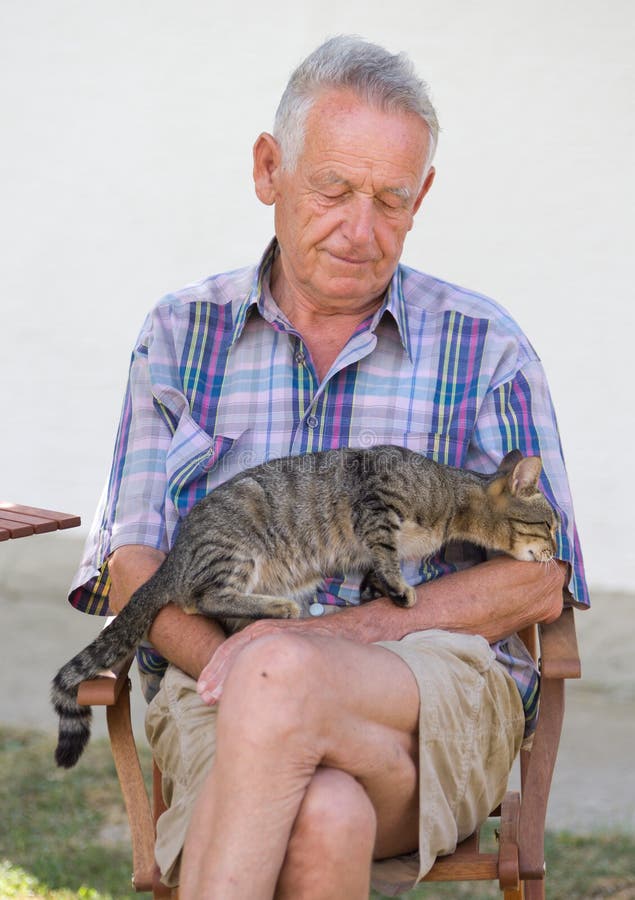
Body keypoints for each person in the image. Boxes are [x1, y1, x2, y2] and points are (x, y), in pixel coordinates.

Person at [69, 35, 588, 899]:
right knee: (323, 813)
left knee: (280, 674)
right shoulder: (179, 334)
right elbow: (131, 561)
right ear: (268, 169)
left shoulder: (485, 347)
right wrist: (235, 663)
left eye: (390, 200)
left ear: (422, 196)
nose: (360, 229)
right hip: (217, 689)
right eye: (334, 189)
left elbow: (541, 581)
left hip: (431, 692)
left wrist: (313, 643)